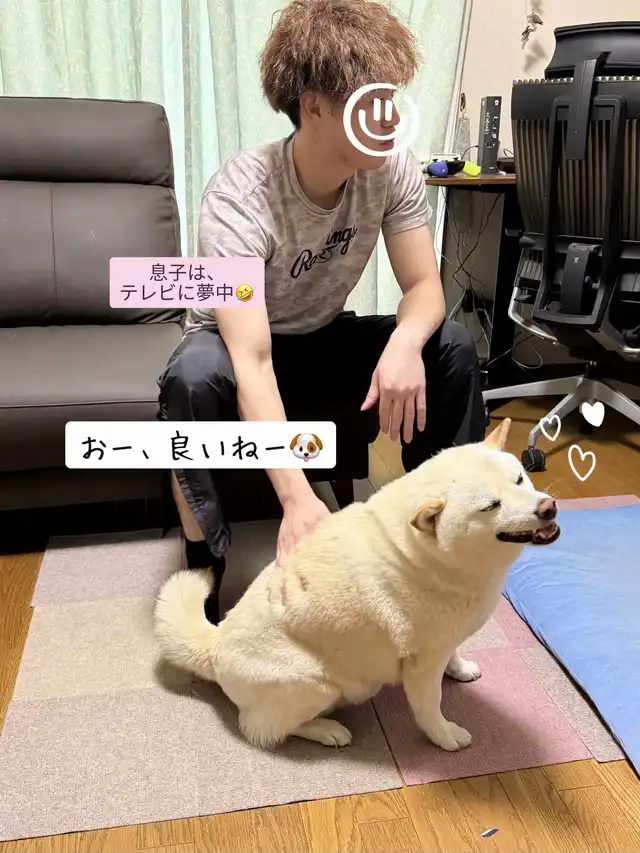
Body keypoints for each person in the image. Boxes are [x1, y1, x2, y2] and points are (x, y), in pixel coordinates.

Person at [157, 0, 486, 624]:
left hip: (320, 336)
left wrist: (405, 342)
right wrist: (296, 498)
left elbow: (424, 287)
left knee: (451, 345)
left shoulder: (390, 170)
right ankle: (204, 571)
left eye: (392, 100)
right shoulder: (239, 198)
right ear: (313, 107)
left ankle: (446, 536)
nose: (390, 118)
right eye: (372, 103)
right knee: (191, 378)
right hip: (237, 349)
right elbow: (252, 359)